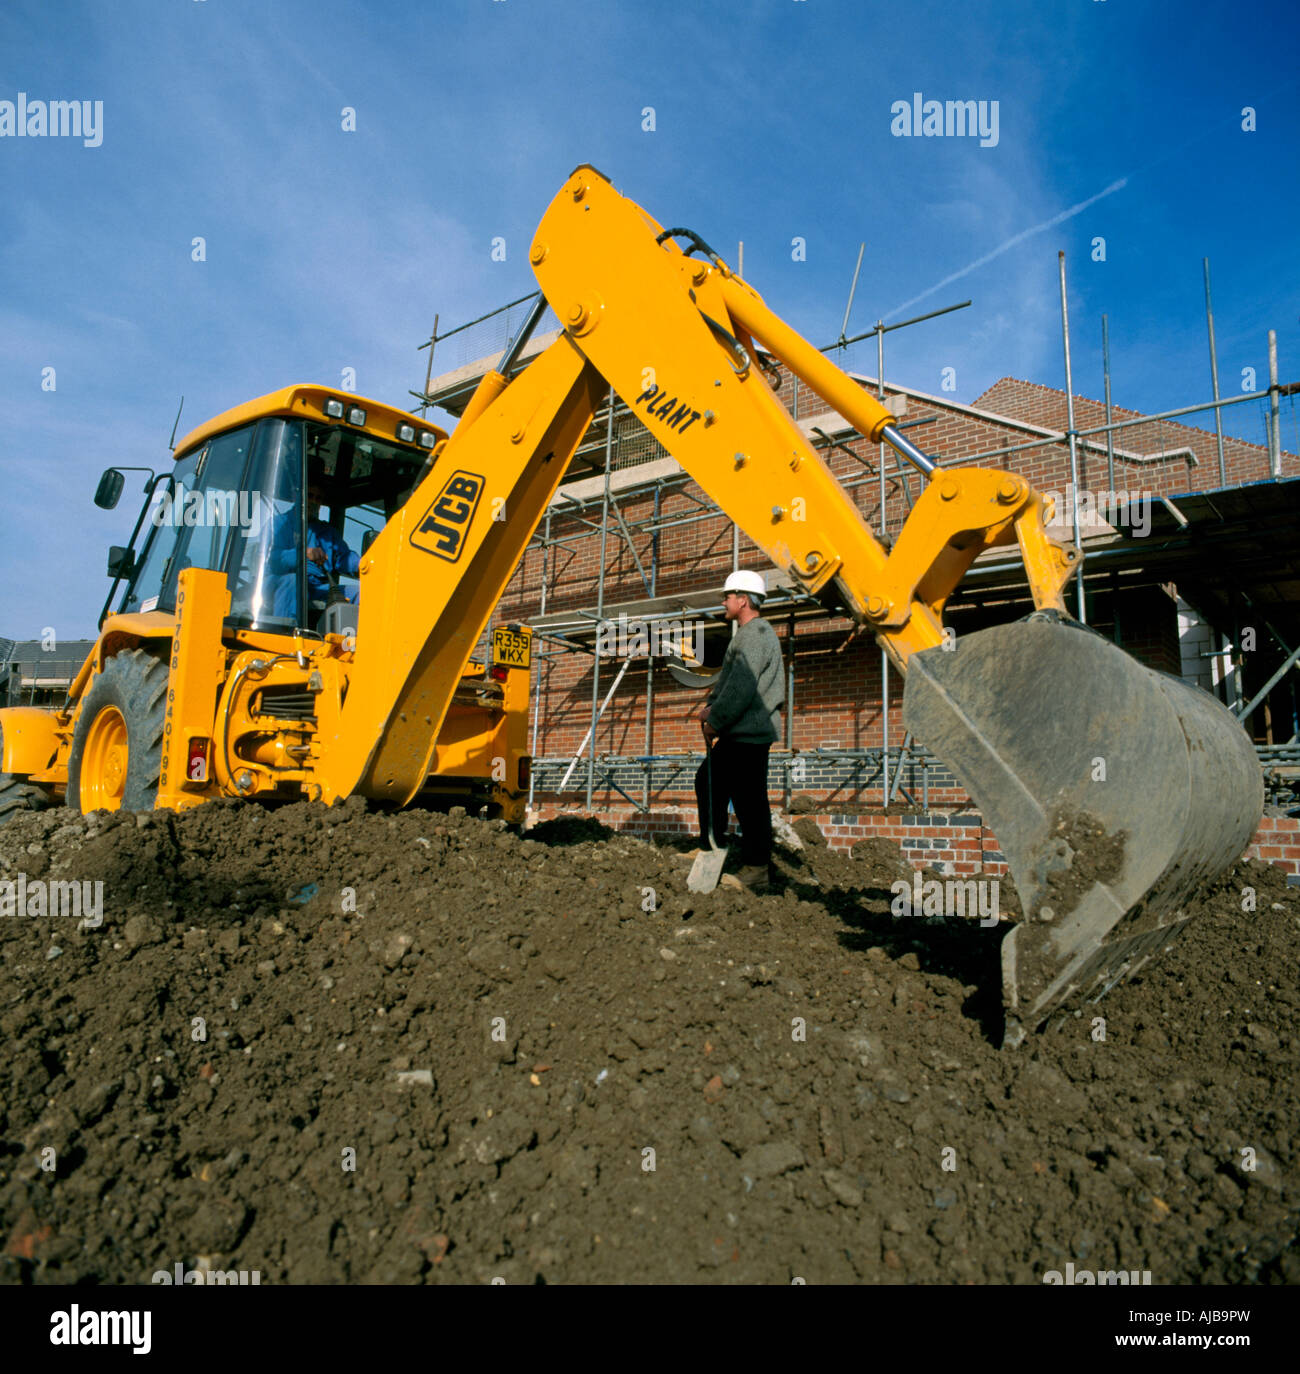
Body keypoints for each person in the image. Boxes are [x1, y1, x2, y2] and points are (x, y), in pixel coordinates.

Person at [689, 570, 785, 889]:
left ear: (742, 600)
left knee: (748, 798)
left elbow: (742, 688)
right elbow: (728, 684)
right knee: (710, 781)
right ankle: (711, 846)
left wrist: (716, 719)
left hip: (749, 732)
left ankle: (757, 868)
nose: (723, 601)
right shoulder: (745, 635)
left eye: (727, 596)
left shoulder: (756, 634)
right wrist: (712, 710)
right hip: (740, 731)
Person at [271, 461, 360, 621]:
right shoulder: (279, 524)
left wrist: (368, 564)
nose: (314, 501)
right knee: (294, 582)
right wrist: (304, 554)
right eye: (310, 496)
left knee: (360, 594)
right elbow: (272, 559)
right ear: (297, 496)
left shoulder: (327, 533)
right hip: (281, 582)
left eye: (318, 498)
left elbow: (345, 558)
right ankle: (285, 633)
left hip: (316, 586)